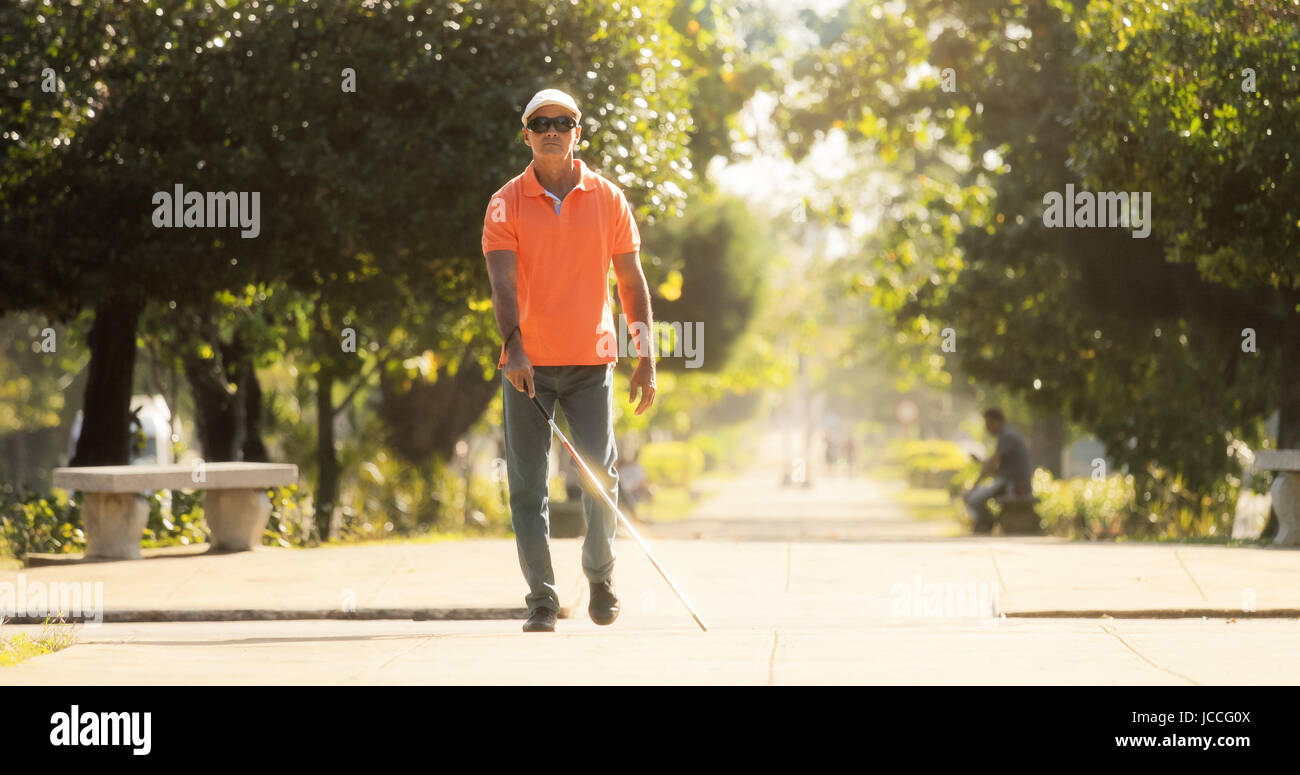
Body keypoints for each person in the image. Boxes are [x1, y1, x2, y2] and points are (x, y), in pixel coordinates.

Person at [482, 88, 657, 633]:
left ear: (578, 133)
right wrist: (514, 346)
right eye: (541, 123)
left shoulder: (608, 198)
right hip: (526, 367)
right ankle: (541, 600)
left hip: (591, 361)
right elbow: (502, 283)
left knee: (598, 475)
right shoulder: (504, 203)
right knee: (528, 485)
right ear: (527, 134)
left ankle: (600, 577)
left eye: (564, 122)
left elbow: (631, 281)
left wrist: (644, 355)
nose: (552, 130)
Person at [964, 408, 1033, 534]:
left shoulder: (1007, 435)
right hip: (1007, 480)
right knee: (971, 496)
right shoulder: (1007, 434)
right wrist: (982, 463)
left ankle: (987, 524)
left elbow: (992, 464)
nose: (988, 429)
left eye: (989, 424)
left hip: (1013, 482)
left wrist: (975, 485)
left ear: (998, 422)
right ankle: (986, 524)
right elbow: (995, 466)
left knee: (973, 499)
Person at [618, 447, 654, 523]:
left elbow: (644, 479)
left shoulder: (638, 467)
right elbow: (623, 483)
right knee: (628, 496)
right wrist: (634, 485)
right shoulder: (622, 469)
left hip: (639, 490)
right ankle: (635, 517)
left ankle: (647, 516)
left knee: (650, 492)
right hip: (628, 491)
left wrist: (645, 484)